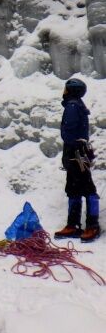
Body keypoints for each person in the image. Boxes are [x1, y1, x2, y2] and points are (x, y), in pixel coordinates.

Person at [54, 77, 100, 242]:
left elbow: (69, 132)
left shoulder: (72, 106)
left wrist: (71, 147)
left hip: (76, 153)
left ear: (71, 90)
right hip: (78, 152)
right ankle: (74, 224)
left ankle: (91, 225)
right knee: (74, 188)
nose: (64, 92)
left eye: (66, 89)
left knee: (86, 188)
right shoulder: (76, 105)